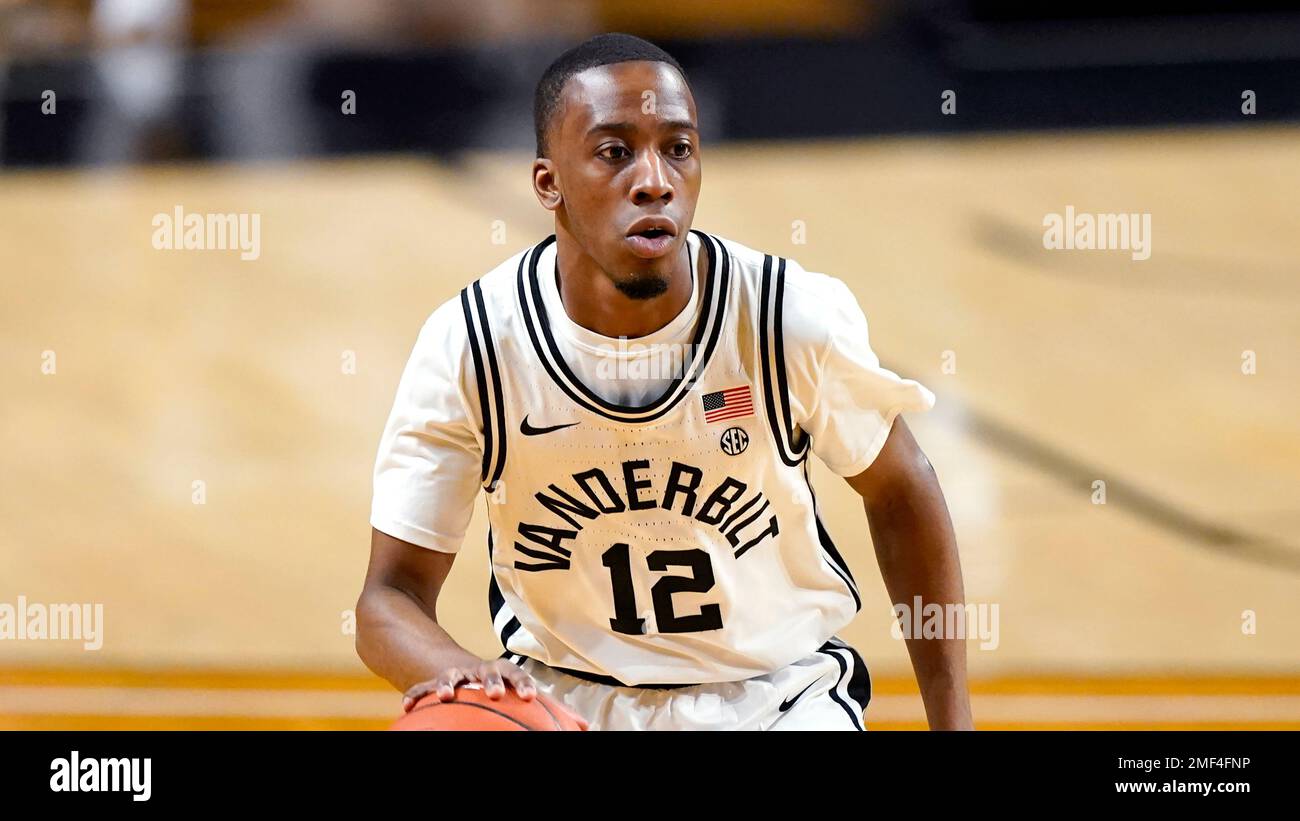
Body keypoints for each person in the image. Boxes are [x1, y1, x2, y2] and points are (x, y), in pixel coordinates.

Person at [356, 33, 972, 730]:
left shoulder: (781, 316)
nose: (654, 180)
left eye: (677, 147)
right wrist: (457, 673)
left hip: (778, 699)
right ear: (548, 183)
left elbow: (900, 483)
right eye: (614, 151)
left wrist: (953, 723)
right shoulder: (474, 343)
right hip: (566, 702)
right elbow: (388, 598)